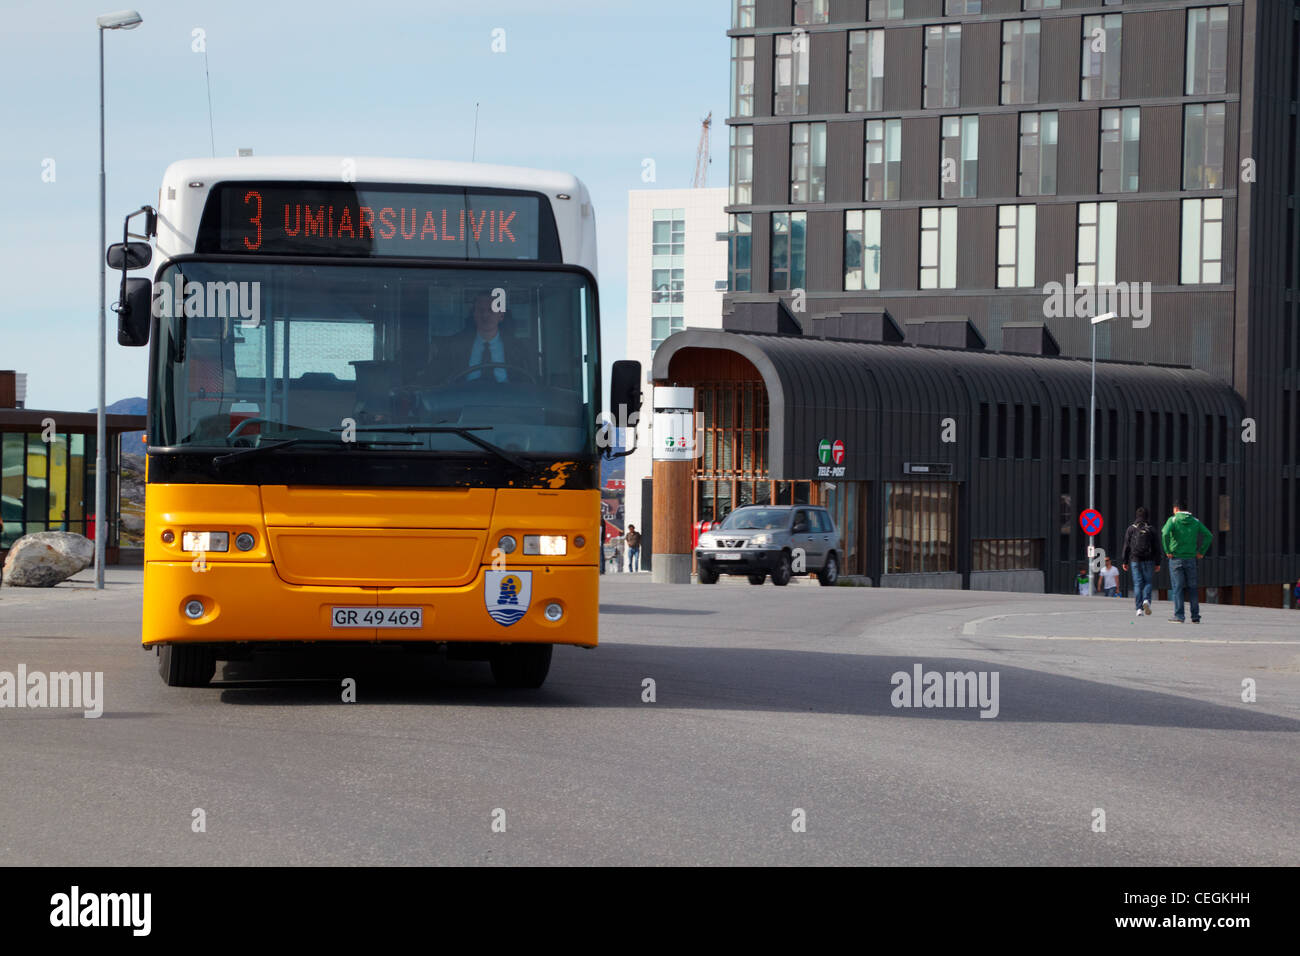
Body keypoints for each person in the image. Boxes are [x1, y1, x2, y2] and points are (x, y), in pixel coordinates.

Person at [432, 293, 519, 383]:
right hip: (463, 395)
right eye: (480, 310)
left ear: (501, 316)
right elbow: (433, 380)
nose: (485, 315)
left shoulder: (520, 348)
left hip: (509, 396)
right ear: (474, 315)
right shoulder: (452, 346)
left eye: (491, 310)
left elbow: (528, 384)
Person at [1161, 501, 1213, 624]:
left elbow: (1165, 533)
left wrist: (1167, 550)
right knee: (1193, 588)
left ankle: (1179, 616)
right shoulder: (1195, 521)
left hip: (1176, 558)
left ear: (1176, 509)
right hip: (1191, 558)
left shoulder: (1173, 520)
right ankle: (1195, 616)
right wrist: (1201, 552)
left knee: (1177, 587)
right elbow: (1208, 535)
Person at [1121, 506, 1163, 618]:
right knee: (1148, 582)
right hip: (1149, 560)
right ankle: (1146, 601)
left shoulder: (1131, 529)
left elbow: (1126, 546)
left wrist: (1125, 561)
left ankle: (1139, 609)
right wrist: (1158, 562)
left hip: (1135, 559)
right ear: (1147, 516)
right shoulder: (1151, 529)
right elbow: (1157, 547)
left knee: (1137, 584)